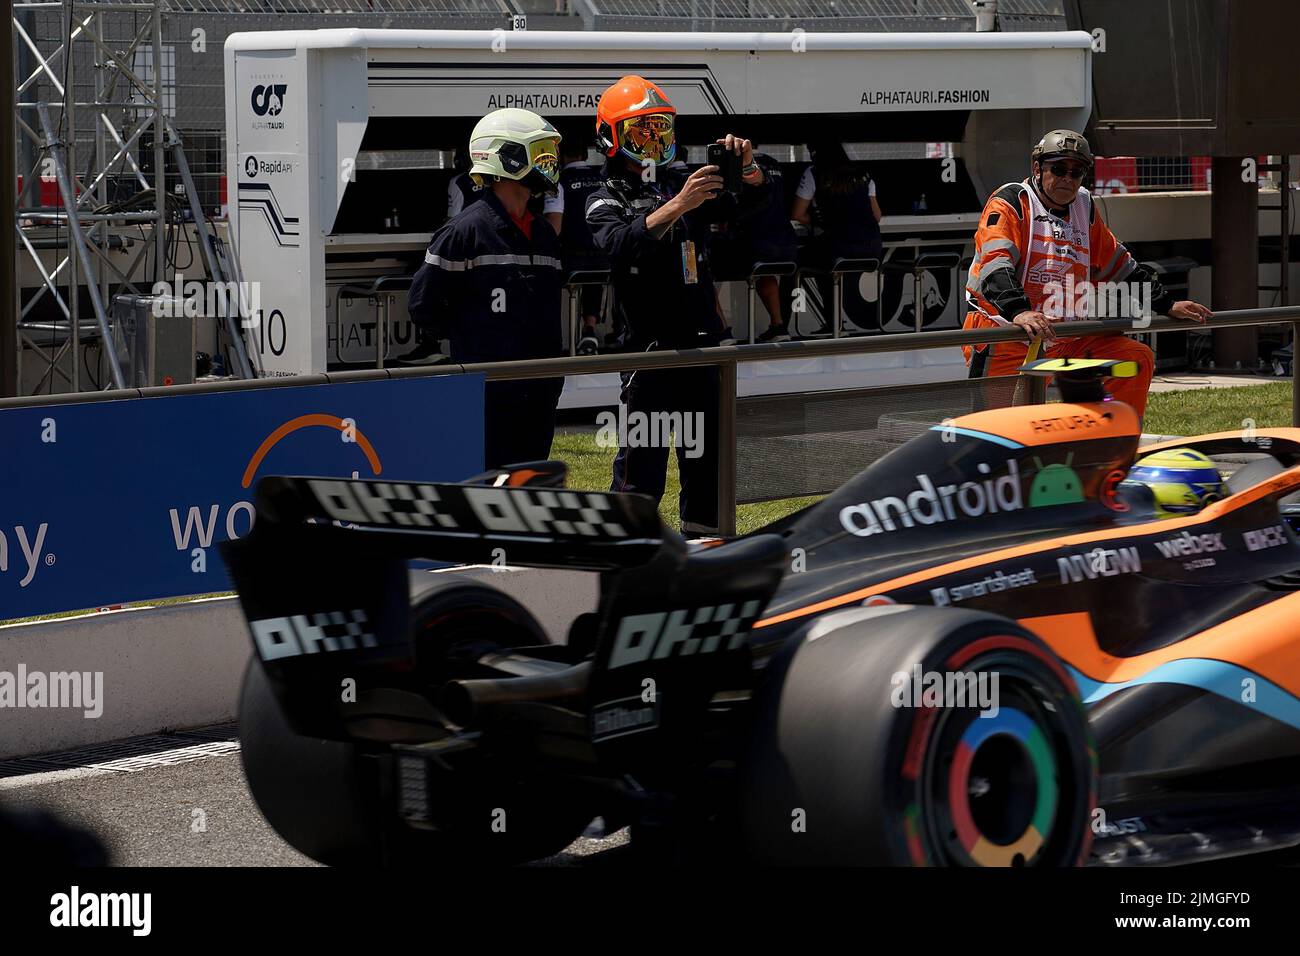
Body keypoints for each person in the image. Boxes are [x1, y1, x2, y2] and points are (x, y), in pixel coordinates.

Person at [584, 75, 769, 534]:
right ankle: (626, 555)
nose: (653, 140)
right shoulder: (602, 197)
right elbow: (621, 247)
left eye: (660, 128)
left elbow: (749, 206)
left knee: (707, 464)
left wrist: (745, 169)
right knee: (641, 468)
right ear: (612, 136)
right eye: (641, 130)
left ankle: (705, 550)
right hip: (651, 353)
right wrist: (680, 205)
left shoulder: (679, 184)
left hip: (704, 348)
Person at [962, 129, 1212, 419]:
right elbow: (995, 265)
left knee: (1135, 358)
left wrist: (1167, 304)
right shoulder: (1010, 203)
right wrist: (1020, 312)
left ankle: (1111, 441)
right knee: (997, 428)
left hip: (1068, 337)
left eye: (1077, 171)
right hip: (1007, 337)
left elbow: (1120, 266)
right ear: (1037, 168)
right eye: (1058, 169)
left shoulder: (1084, 206)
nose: (1067, 178)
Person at [408, 108, 566, 469]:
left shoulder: (543, 233)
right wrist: (474, 340)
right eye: (539, 152)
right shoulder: (464, 232)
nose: (549, 163)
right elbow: (423, 305)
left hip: (540, 388)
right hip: (488, 391)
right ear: (507, 158)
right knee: (488, 485)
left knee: (529, 486)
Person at [791, 141, 883, 335]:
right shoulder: (864, 174)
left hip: (839, 247)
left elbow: (797, 214)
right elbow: (877, 216)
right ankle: (835, 323)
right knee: (824, 262)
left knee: (797, 261)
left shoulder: (813, 173)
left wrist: (818, 222)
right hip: (872, 249)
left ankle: (782, 326)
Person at [553, 140, 611, 355]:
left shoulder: (559, 182)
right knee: (594, 278)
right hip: (602, 256)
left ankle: (556, 336)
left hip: (571, 257)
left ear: (563, 157)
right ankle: (589, 330)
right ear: (584, 155)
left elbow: (554, 223)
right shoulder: (603, 180)